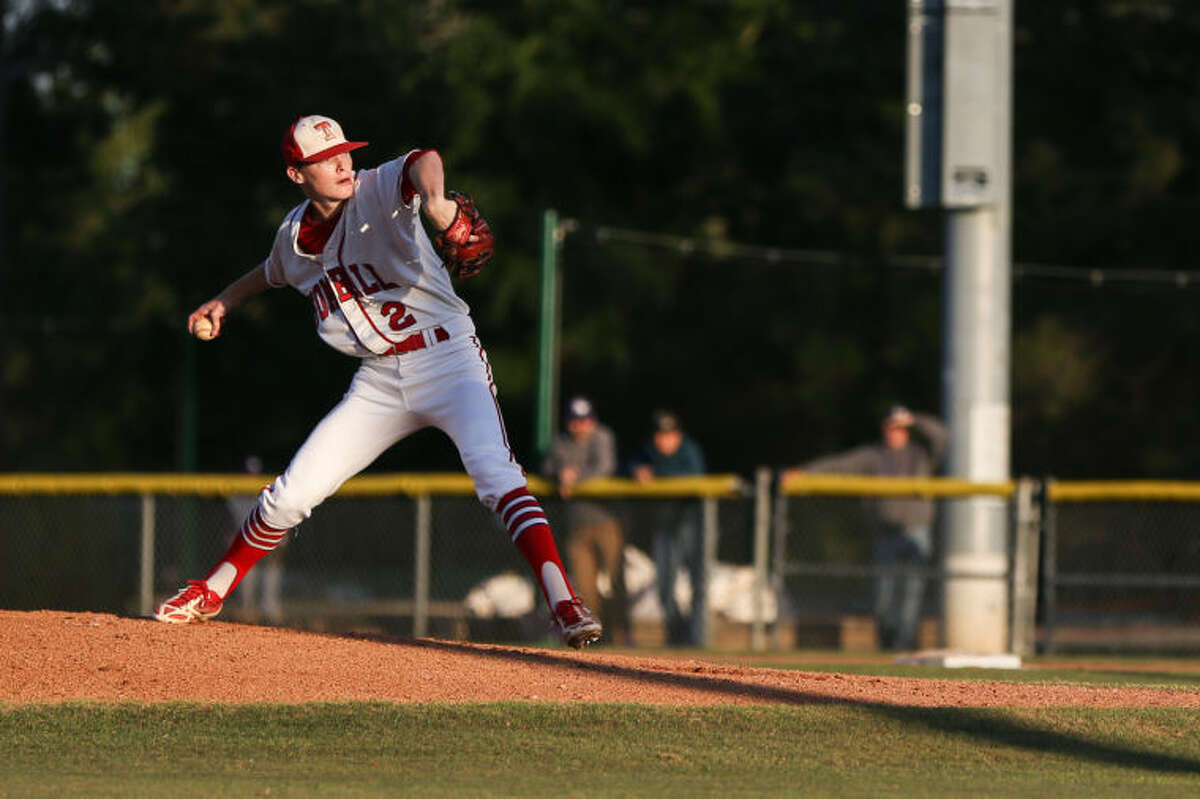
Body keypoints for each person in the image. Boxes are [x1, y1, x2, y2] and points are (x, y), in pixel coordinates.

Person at [154, 115, 601, 648]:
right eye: (325, 158)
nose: (342, 162)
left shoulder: (379, 188)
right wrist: (225, 300)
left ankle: (564, 602)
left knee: (497, 476)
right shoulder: (293, 238)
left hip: (449, 358)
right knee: (289, 496)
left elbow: (423, 159)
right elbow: (271, 270)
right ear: (297, 174)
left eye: (344, 150)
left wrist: (435, 203)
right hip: (380, 380)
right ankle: (211, 590)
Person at [784, 405, 948, 651]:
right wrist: (805, 472)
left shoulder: (920, 454)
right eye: (892, 428)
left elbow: (942, 436)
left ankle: (905, 644)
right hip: (886, 533)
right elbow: (840, 464)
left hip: (917, 532)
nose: (895, 433)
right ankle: (887, 645)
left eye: (901, 429)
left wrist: (915, 419)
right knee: (883, 596)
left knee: (911, 597)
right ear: (884, 429)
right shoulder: (874, 456)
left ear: (907, 431)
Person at [542, 396, 631, 645]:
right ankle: (597, 636)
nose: (580, 425)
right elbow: (547, 467)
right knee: (585, 585)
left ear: (592, 420)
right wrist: (560, 474)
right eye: (575, 420)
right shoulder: (561, 441)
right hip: (577, 524)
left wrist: (574, 479)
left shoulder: (602, 436)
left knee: (616, 581)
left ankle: (623, 633)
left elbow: (605, 466)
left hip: (606, 521)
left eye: (584, 420)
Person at [632, 410, 707, 646]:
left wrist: (656, 474)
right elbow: (628, 465)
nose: (664, 440)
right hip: (665, 526)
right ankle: (679, 634)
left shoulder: (690, 450)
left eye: (669, 434)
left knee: (699, 584)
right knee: (664, 585)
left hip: (693, 524)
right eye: (660, 435)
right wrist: (635, 470)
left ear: (678, 435)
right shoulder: (649, 451)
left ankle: (697, 638)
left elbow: (694, 474)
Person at [224, 455, 285, 624]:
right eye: (249, 473)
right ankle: (246, 610)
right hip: (245, 539)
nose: (252, 477)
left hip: (269, 536)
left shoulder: (269, 492)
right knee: (246, 572)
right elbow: (230, 523)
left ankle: (270, 610)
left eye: (255, 473)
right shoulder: (235, 495)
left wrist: (281, 541)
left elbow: (281, 517)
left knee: (272, 569)